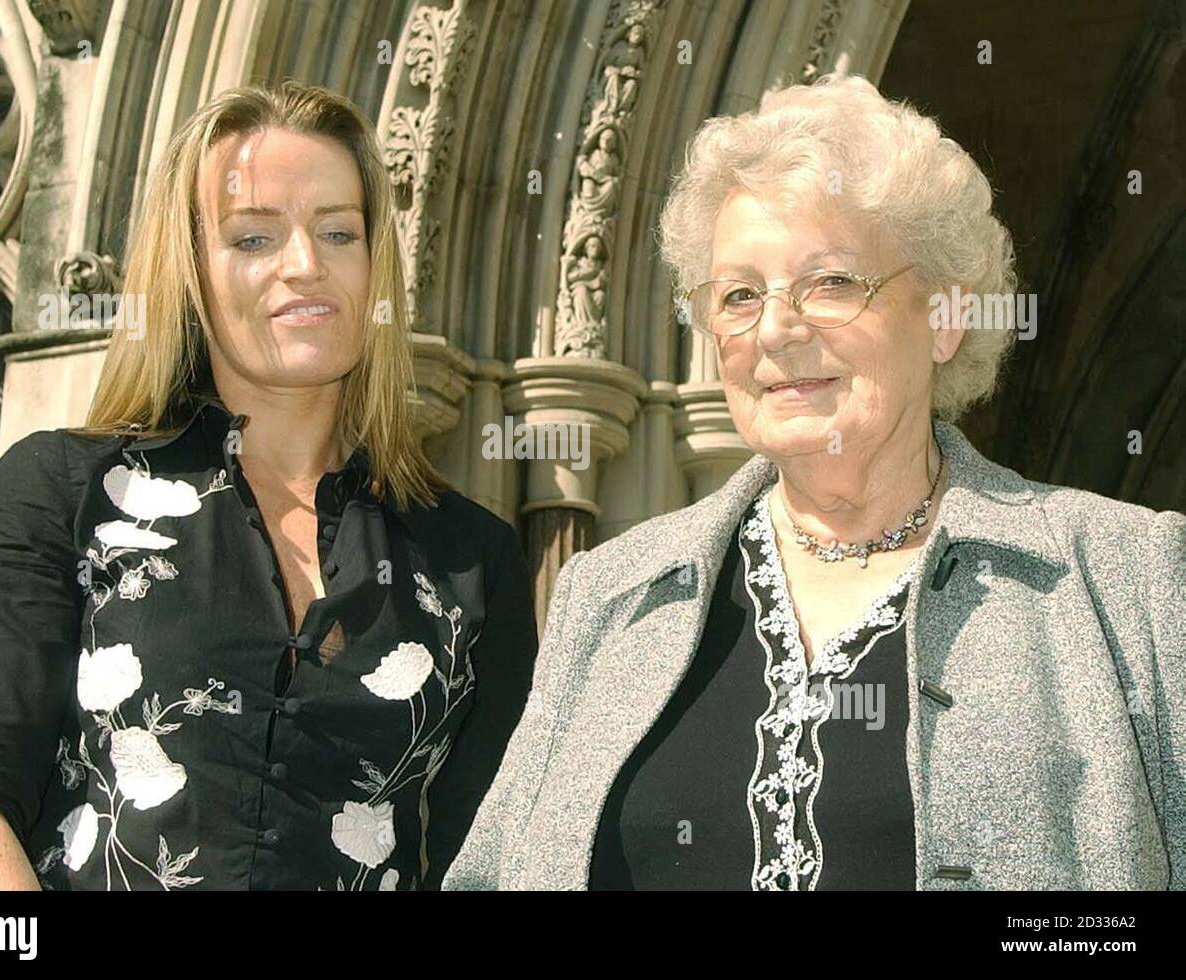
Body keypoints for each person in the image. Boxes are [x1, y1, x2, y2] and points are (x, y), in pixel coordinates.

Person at [442, 72, 1185, 891]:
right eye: (739, 295)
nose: (776, 330)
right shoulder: (610, 598)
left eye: (830, 282)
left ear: (943, 319)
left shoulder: (1128, 582)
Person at [0, 81, 538, 891]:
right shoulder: (61, 491)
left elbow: (505, 859)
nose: (305, 266)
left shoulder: (472, 558)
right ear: (190, 268)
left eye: (338, 231)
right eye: (255, 238)